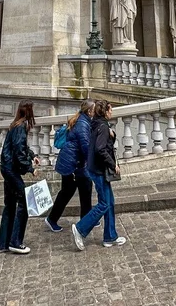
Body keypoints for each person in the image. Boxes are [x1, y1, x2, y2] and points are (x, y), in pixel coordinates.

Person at [72, 100, 126, 250]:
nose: (112, 112)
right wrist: (112, 165)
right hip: (99, 170)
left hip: (95, 168)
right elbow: (100, 149)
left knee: (110, 202)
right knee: (104, 203)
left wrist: (112, 134)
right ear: (105, 112)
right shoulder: (102, 126)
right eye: (110, 109)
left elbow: (100, 143)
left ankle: (110, 237)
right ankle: (80, 228)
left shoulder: (97, 123)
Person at [0, 100, 40, 255]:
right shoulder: (21, 127)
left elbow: (21, 148)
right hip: (11, 170)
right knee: (24, 203)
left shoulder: (16, 125)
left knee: (9, 205)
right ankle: (15, 242)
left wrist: (32, 156)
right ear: (28, 111)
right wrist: (30, 168)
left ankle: (2, 243)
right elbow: (19, 152)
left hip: (6, 168)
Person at [45, 99, 95, 232]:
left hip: (72, 163)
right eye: (94, 110)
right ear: (89, 111)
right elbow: (85, 147)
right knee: (76, 190)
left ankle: (86, 219)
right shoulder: (83, 124)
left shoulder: (82, 120)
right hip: (73, 164)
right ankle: (53, 219)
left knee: (78, 190)